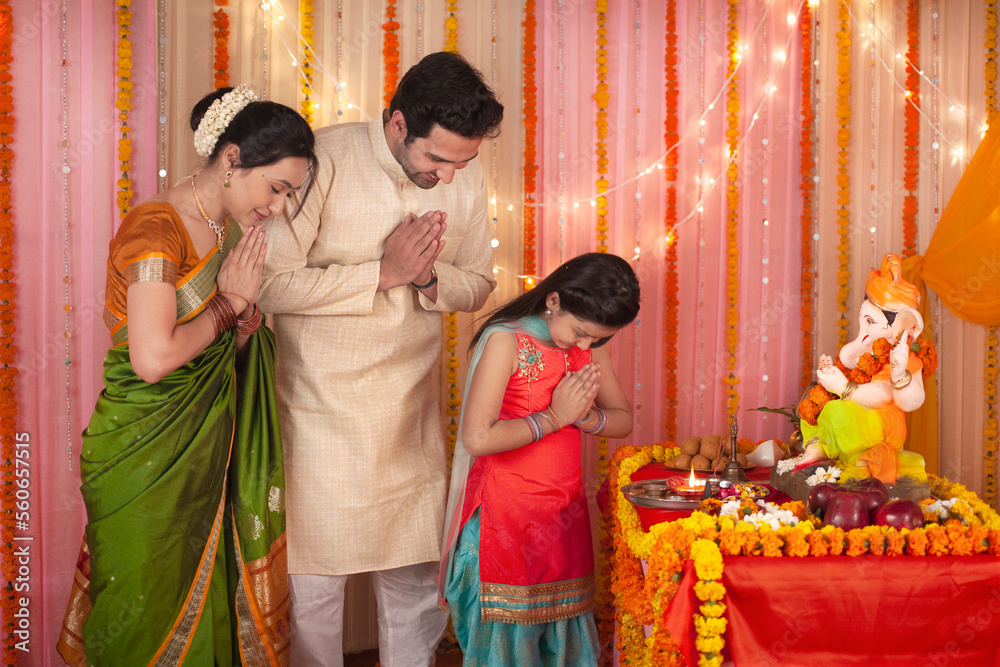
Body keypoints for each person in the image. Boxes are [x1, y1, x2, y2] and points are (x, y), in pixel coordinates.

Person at [56, 85, 317, 667]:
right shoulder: (157, 230)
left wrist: (244, 326)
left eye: (288, 194)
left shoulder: (225, 232)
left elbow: (219, 337)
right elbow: (151, 359)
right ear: (231, 159)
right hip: (143, 448)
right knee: (143, 609)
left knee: (206, 595)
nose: (277, 207)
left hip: (205, 444)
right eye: (275, 188)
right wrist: (229, 307)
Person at [257, 51, 504, 666]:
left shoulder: (464, 176)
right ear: (397, 125)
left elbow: (478, 283)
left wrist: (427, 281)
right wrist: (385, 272)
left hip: (409, 415)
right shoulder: (323, 161)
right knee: (315, 590)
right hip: (317, 412)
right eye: (437, 159)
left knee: (416, 593)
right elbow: (269, 285)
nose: (449, 176)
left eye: (462, 162)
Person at [439, 253, 640, 665]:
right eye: (581, 332)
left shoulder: (588, 346)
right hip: (503, 520)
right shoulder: (506, 339)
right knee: (509, 644)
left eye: (599, 339)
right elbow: (478, 437)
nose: (586, 346)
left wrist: (584, 416)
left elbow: (622, 421)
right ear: (553, 301)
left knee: (561, 639)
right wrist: (555, 417)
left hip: (562, 516)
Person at [791, 253, 935, 483]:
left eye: (871, 322)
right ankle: (818, 445)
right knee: (812, 408)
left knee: (837, 412)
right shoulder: (869, 349)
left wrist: (846, 388)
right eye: (863, 320)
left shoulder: (903, 355)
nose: (864, 330)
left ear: (903, 324)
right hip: (857, 410)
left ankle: (835, 451)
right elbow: (850, 365)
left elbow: (887, 395)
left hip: (882, 422)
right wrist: (832, 377)